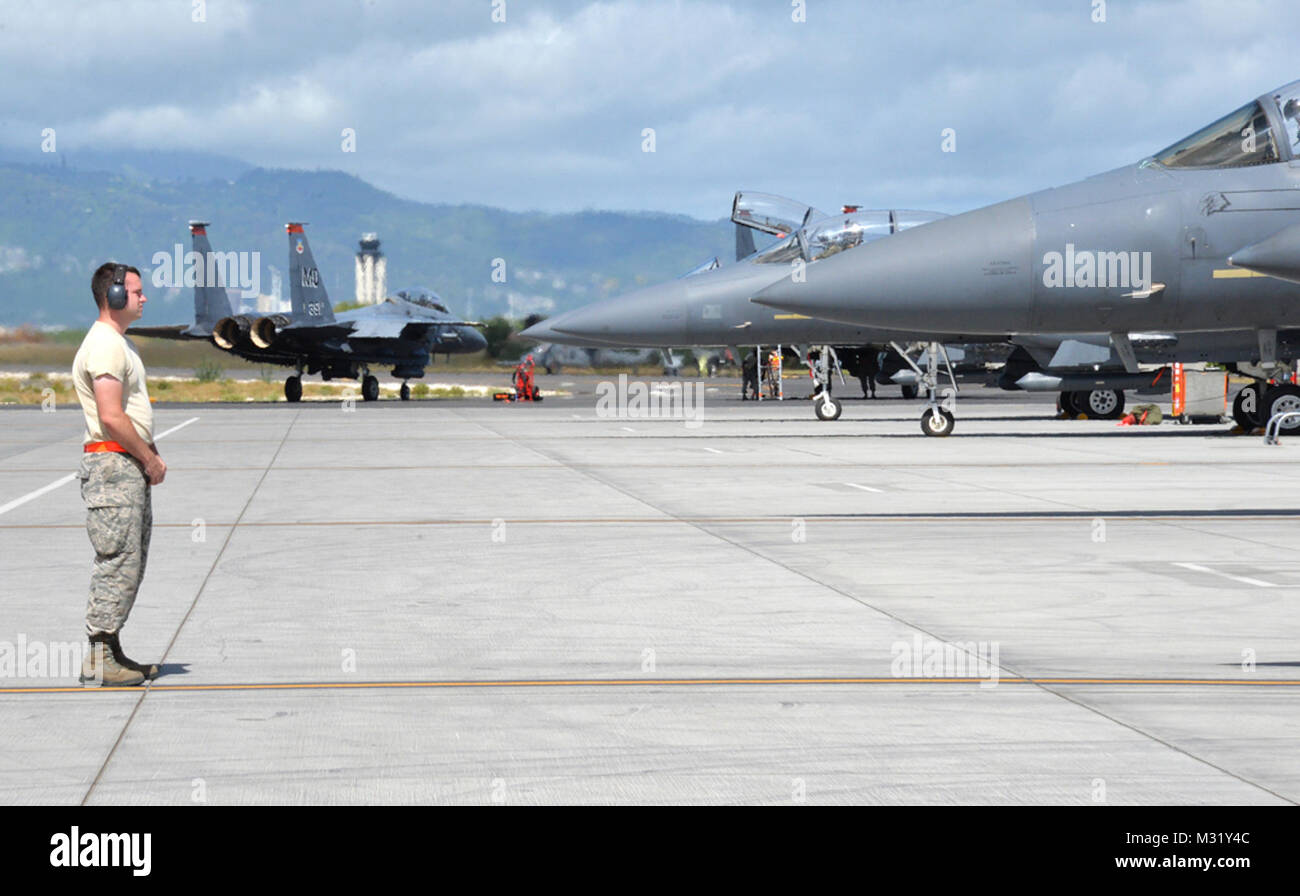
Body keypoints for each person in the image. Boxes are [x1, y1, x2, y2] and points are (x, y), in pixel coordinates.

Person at [72, 263, 166, 686]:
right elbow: (111, 416)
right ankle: (100, 653)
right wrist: (148, 458)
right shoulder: (107, 346)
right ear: (111, 297)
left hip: (123, 465)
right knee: (118, 561)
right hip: (114, 466)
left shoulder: (119, 344)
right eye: (135, 291)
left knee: (129, 560)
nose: (143, 298)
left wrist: (146, 453)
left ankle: (109, 650)